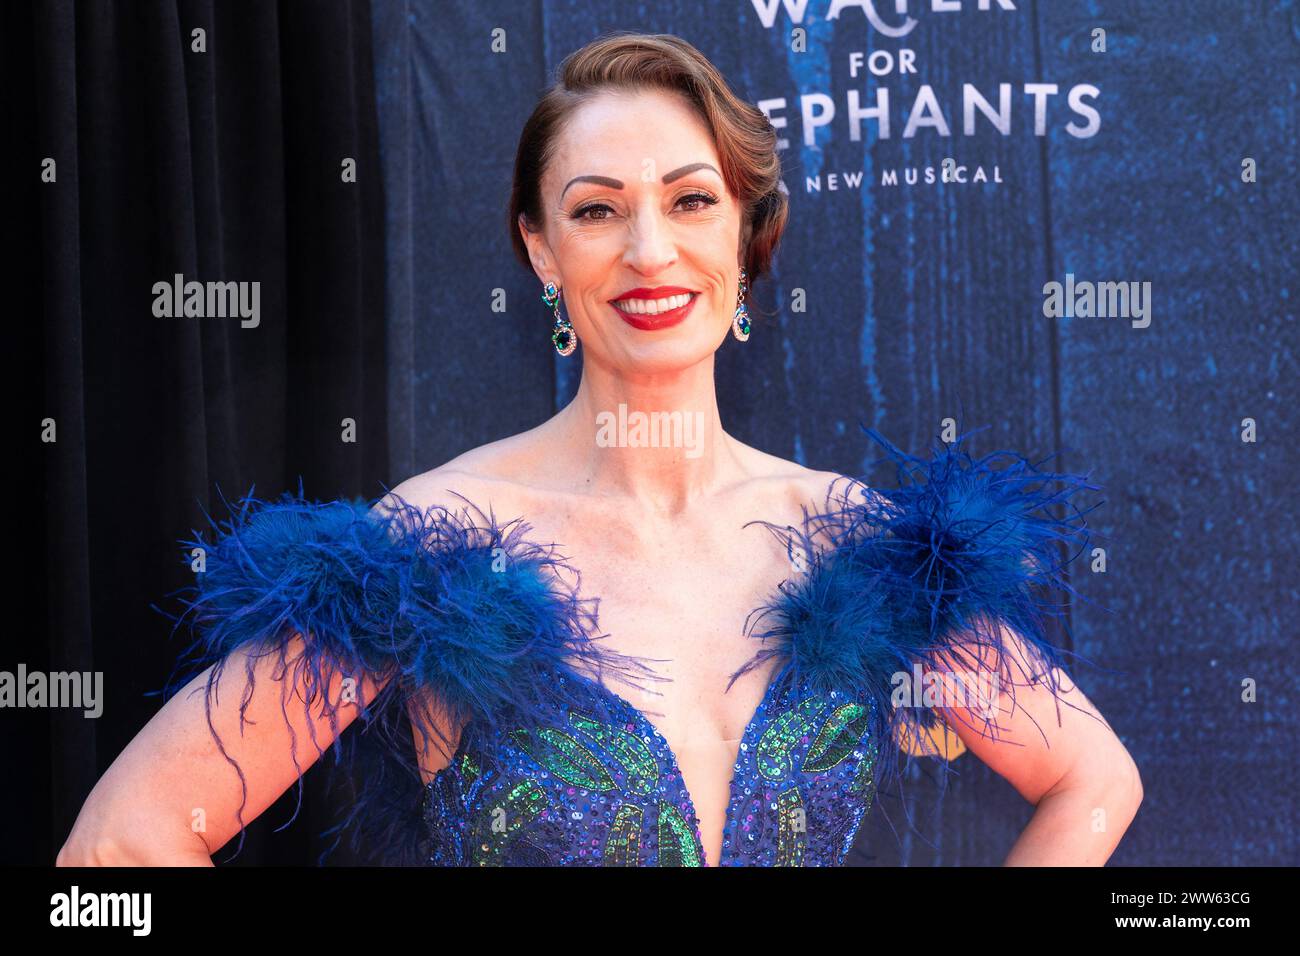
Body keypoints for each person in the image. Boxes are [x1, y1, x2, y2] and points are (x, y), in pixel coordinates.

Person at [57, 31, 1141, 868]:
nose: (648, 250)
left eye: (690, 200)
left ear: (744, 235)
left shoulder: (854, 540)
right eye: (595, 209)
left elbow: (1092, 779)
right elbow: (122, 843)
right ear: (538, 248)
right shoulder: (433, 546)